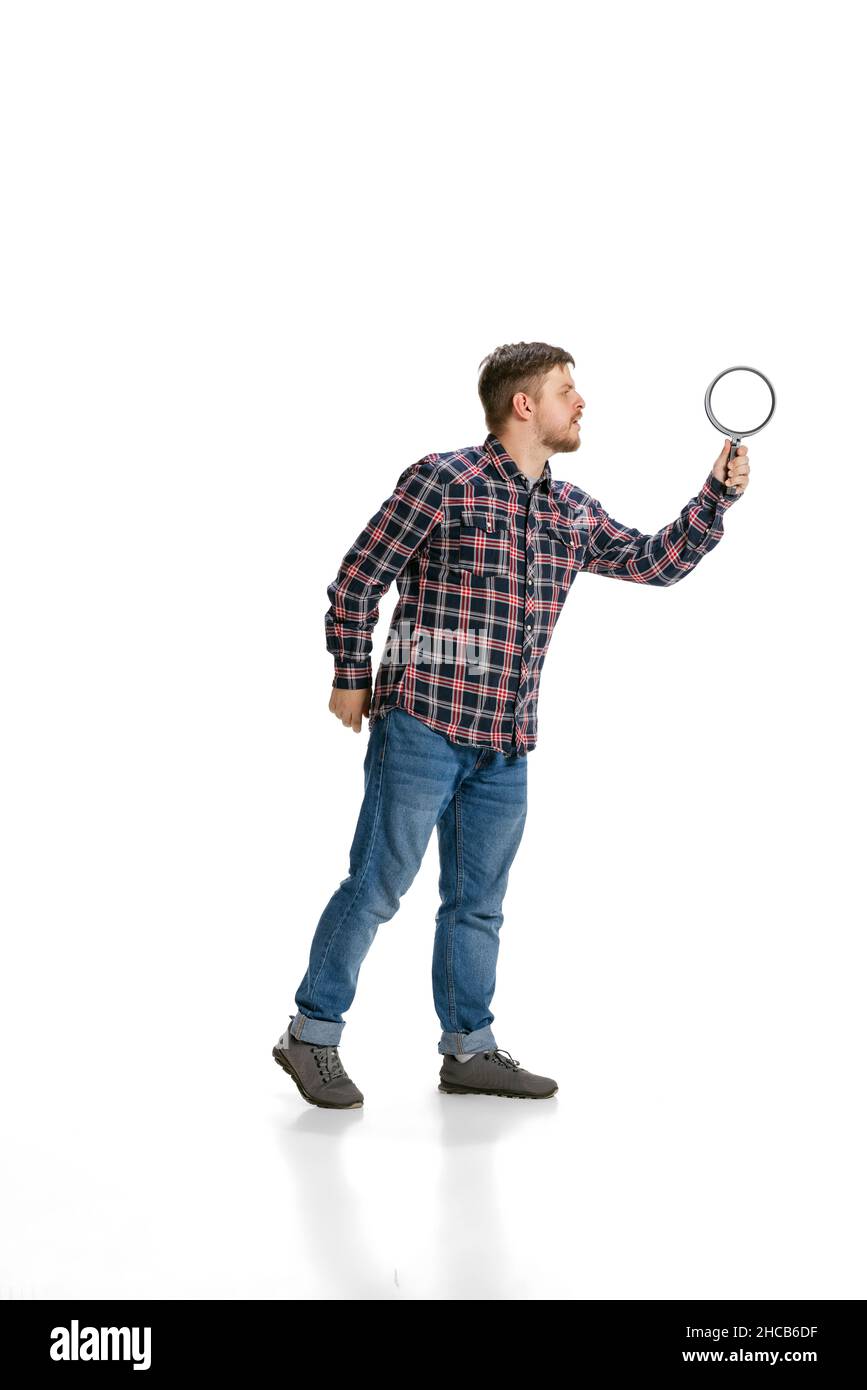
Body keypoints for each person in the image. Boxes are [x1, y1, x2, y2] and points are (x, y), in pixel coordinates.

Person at [272, 341, 750, 1108]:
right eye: (567, 390)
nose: (580, 402)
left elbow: (653, 561)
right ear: (523, 405)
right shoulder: (443, 480)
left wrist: (714, 497)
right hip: (422, 724)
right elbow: (360, 577)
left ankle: (469, 1049)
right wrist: (351, 676)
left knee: (478, 902)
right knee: (378, 883)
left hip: (506, 740)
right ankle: (311, 1034)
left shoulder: (570, 510)